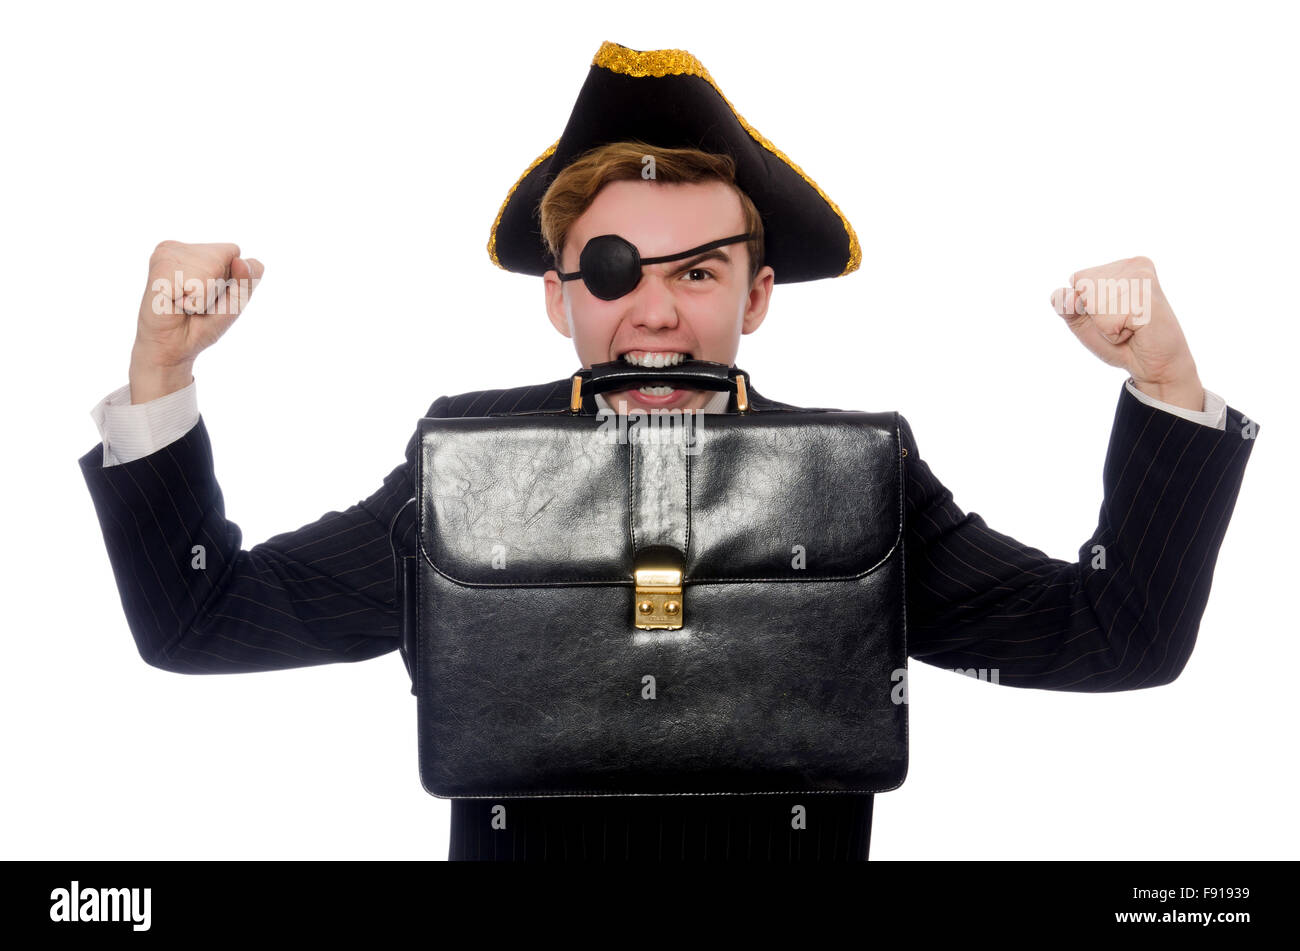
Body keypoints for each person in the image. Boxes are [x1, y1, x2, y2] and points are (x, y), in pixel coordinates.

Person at [78, 41, 1259, 861]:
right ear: (559, 302)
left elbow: (1119, 638)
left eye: (699, 271)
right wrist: (163, 378)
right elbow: (201, 622)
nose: (653, 313)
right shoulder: (463, 467)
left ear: (757, 298)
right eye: (611, 273)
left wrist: (1162, 381)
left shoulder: (857, 477)